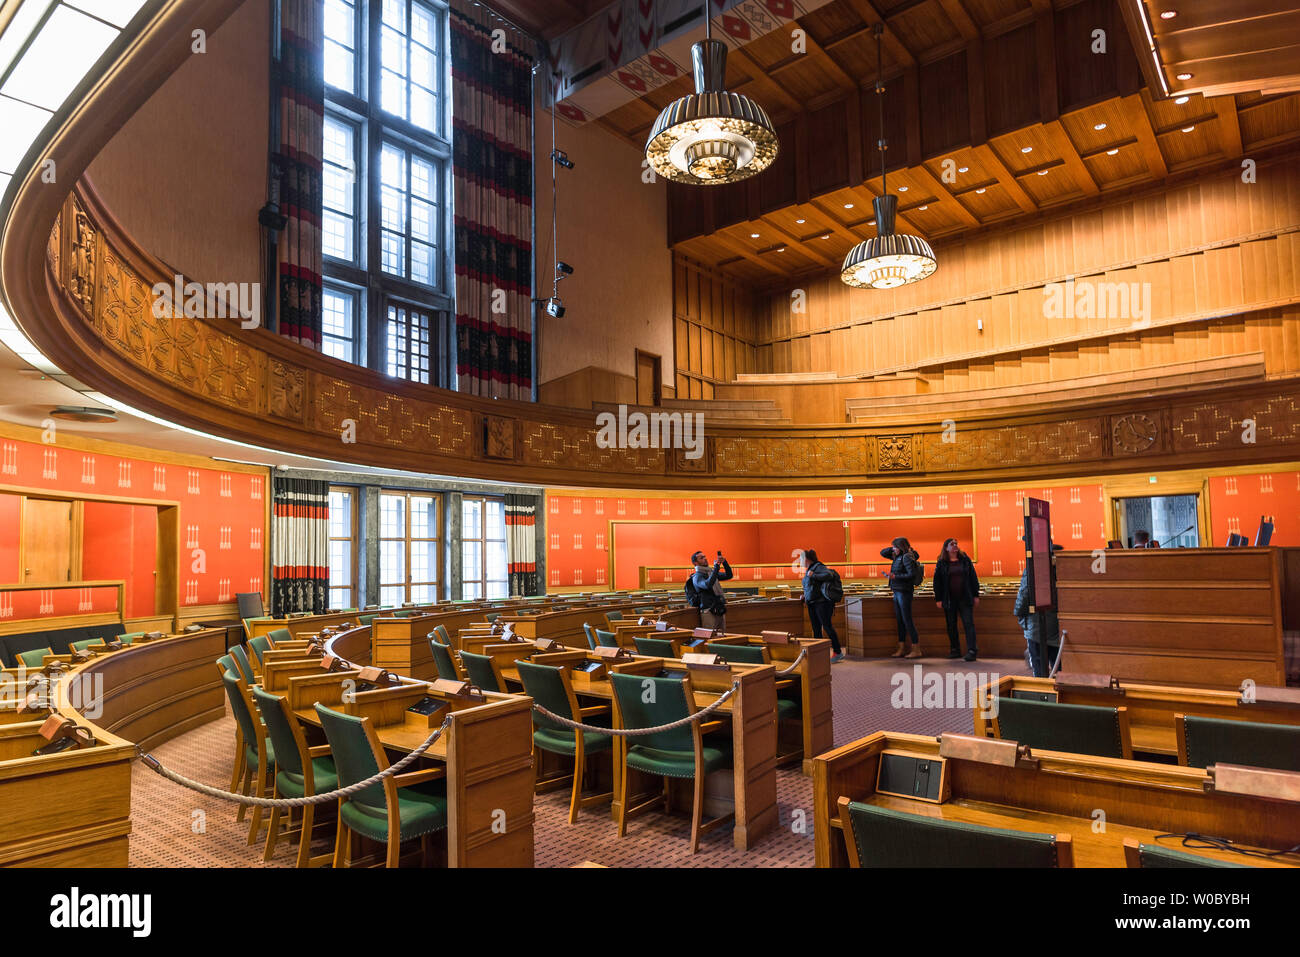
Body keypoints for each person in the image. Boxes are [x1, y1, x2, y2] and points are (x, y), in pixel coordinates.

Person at [1014, 537, 1063, 676]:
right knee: (1058, 669)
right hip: (1057, 626)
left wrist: (1019, 615)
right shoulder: (1061, 568)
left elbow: (1024, 595)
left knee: (1039, 669)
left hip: (1037, 625)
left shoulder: (1033, 568)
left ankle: (1042, 695)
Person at [932, 538, 979, 661]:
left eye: (956, 544)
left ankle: (972, 650)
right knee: (951, 625)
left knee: (969, 624)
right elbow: (937, 582)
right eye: (952, 544)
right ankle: (955, 650)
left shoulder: (965, 560)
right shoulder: (941, 562)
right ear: (946, 548)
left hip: (965, 597)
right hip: (949, 599)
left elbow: (973, 577)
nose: (955, 546)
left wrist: (976, 595)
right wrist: (938, 598)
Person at [880, 537, 922, 658]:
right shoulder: (897, 556)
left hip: (904, 591)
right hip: (897, 590)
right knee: (900, 621)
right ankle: (901, 648)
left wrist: (895, 576)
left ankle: (916, 648)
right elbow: (882, 552)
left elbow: (911, 574)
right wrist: (894, 547)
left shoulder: (907, 557)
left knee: (907, 620)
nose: (893, 549)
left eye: (895, 547)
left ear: (901, 547)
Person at [802, 549, 844, 663]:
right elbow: (810, 587)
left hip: (822, 603)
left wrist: (814, 575)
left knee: (827, 626)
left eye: (801, 558)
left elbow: (828, 575)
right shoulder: (809, 569)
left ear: (807, 559)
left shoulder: (818, 566)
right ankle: (819, 654)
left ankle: (838, 652)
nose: (800, 561)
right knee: (816, 629)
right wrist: (804, 595)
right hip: (813, 602)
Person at [689, 549, 733, 632]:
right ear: (695, 563)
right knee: (710, 636)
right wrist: (716, 568)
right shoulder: (697, 576)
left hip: (718, 608)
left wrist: (724, 562)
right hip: (708, 611)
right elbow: (707, 584)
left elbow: (729, 575)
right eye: (701, 558)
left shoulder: (710, 572)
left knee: (722, 636)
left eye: (705, 557)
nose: (705, 558)